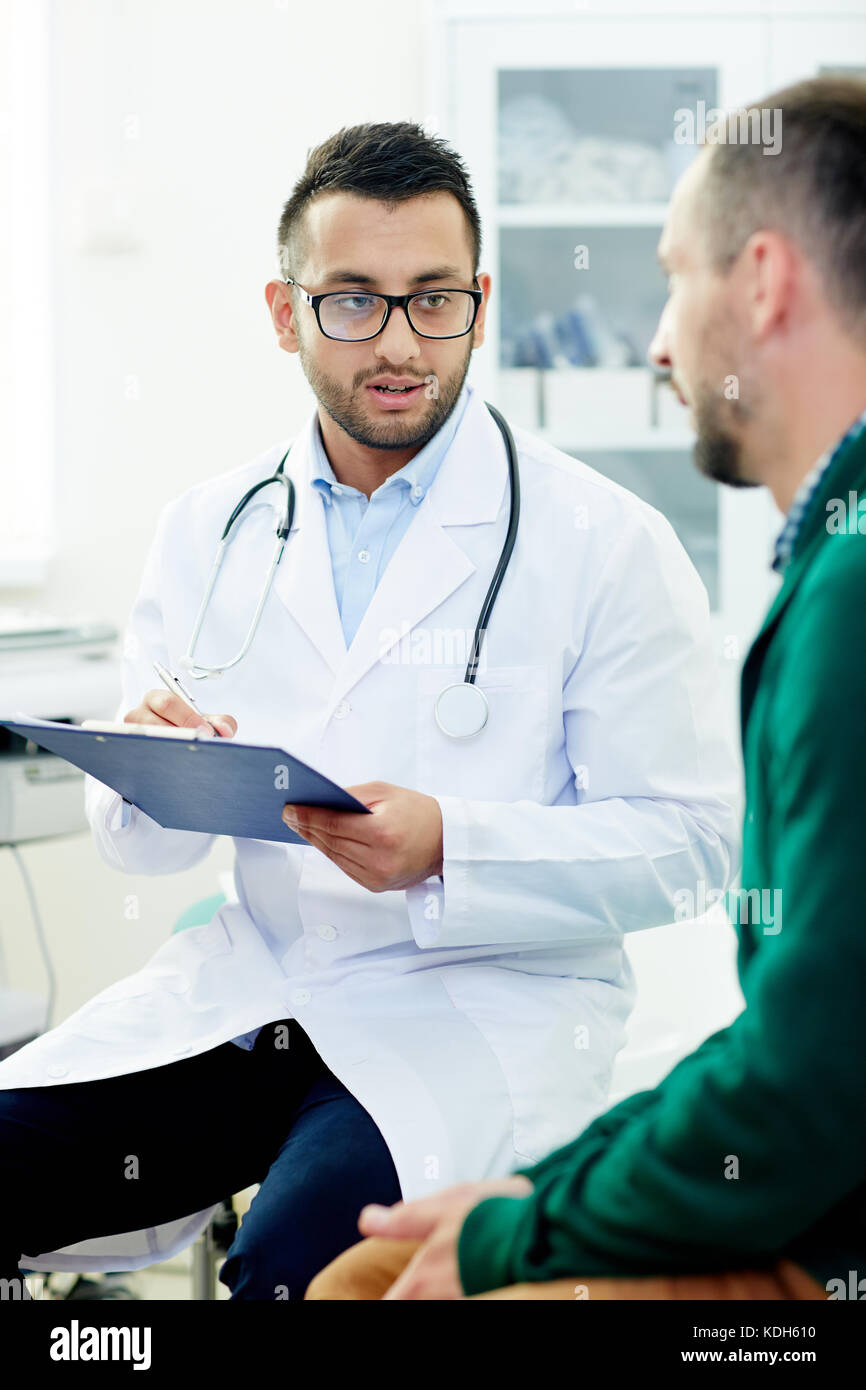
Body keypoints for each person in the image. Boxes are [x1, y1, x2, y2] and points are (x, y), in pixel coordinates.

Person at [0, 122, 737, 1301]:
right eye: (351, 301)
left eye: (431, 299)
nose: (397, 344)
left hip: (481, 1004)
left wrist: (455, 842)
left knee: (301, 1268)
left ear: (480, 304)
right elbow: (136, 838)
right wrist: (147, 761)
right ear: (285, 312)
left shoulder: (604, 542)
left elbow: (695, 844)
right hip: (256, 985)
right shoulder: (211, 525)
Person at [305, 76, 866, 1302]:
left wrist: (521, 1230)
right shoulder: (833, 562)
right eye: (351, 300)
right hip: (303, 998)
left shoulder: (845, 595)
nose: (659, 340)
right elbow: (797, 1032)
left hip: (826, 1234)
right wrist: (543, 1197)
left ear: (762, 282)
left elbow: (809, 1075)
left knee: (362, 1282)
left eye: (672, 276)